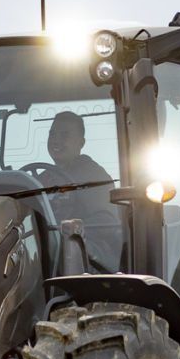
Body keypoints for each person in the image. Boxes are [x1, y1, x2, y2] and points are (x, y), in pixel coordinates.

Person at [42, 110, 122, 272]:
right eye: (52, 134)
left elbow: (107, 221)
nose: (56, 140)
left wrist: (77, 229)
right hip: (46, 246)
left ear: (81, 142)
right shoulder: (41, 178)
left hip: (85, 256)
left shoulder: (93, 175)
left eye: (64, 135)